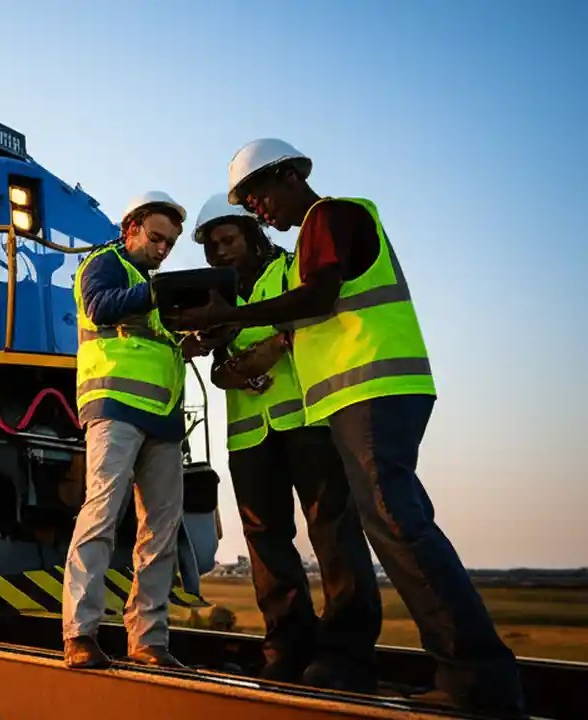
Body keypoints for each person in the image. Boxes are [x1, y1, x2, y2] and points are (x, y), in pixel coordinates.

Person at [165, 140, 526, 717]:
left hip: (368, 392)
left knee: (389, 525)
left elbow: (318, 299)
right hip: (343, 402)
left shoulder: (328, 219)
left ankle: (472, 677)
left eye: (258, 195)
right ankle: (467, 675)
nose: (259, 207)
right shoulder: (307, 237)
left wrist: (232, 320)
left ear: (289, 175)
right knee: (385, 524)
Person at [192, 193, 383, 692]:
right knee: (265, 542)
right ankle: (286, 649)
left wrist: (261, 351)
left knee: (333, 533)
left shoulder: (295, 269)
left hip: (308, 423)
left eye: (227, 240)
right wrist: (242, 361)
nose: (219, 253)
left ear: (253, 234)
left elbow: (294, 333)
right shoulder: (221, 294)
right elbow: (222, 372)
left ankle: (345, 657)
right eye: (211, 247)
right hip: (251, 436)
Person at [62, 190, 196, 669]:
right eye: (156, 239)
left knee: (160, 529)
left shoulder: (149, 282)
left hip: (163, 416)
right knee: (100, 515)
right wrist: (159, 292)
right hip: (114, 405)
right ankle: (79, 635)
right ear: (130, 229)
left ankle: (148, 641)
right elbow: (99, 306)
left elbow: (159, 339)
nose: (162, 250)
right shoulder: (104, 263)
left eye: (170, 245)